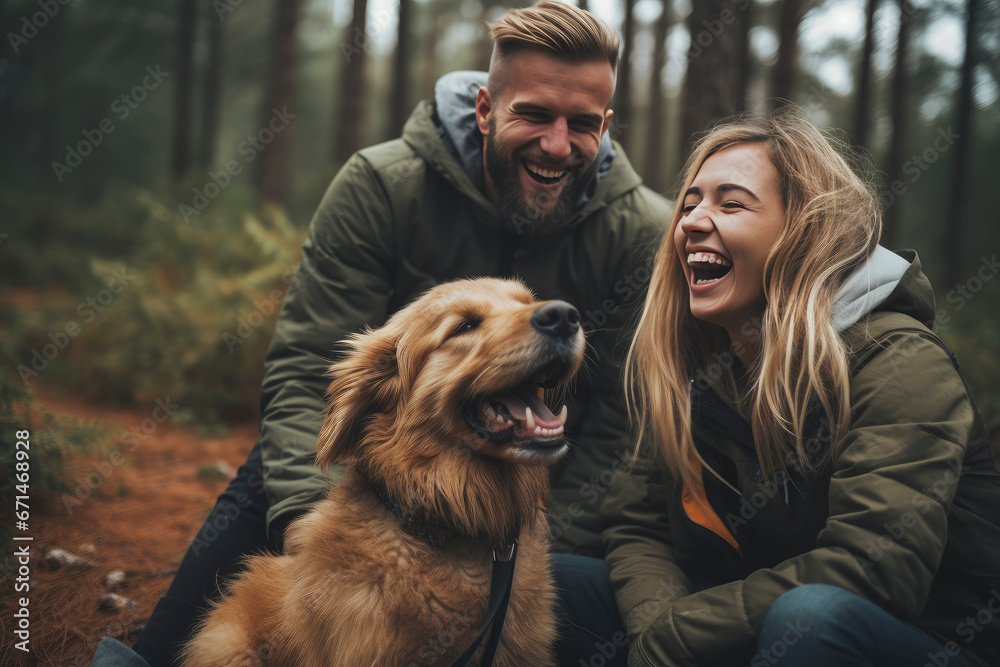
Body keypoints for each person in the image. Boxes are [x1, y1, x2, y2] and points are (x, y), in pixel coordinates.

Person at [89, 2, 669, 665]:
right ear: (485, 109)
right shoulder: (381, 185)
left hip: (544, 482)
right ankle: (148, 657)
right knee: (266, 480)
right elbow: (310, 365)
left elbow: (627, 418)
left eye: (583, 124)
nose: (558, 144)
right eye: (534, 115)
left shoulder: (640, 231)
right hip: (382, 460)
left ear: (608, 125)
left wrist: (534, 534)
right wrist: (306, 512)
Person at [589, 111, 1000, 666]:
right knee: (567, 587)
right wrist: (655, 629)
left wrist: (677, 637)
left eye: (730, 203)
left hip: (921, 643)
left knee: (809, 619)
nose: (690, 222)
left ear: (806, 231)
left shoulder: (900, 362)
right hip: (755, 631)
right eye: (689, 205)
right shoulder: (704, 361)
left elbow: (868, 569)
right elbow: (636, 524)